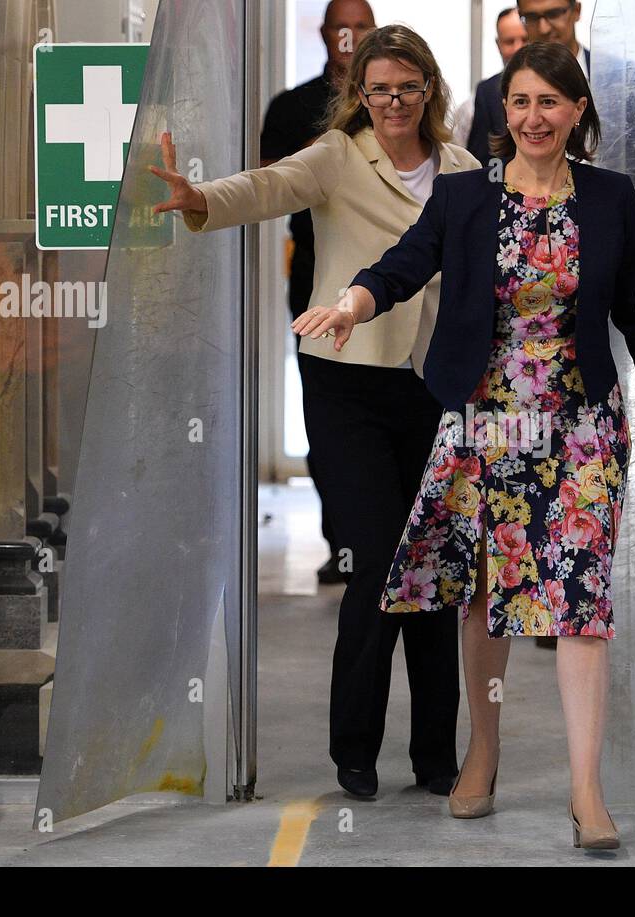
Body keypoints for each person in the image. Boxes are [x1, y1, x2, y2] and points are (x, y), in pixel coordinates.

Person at [293, 42, 635, 851]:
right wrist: (353, 302)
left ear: (578, 112)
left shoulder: (612, 199)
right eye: (520, 103)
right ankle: (482, 752)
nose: (534, 117)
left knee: (580, 601)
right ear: (501, 112)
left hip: (582, 424)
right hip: (483, 423)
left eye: (551, 102)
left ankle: (587, 792)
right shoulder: (465, 198)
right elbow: (404, 264)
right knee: (488, 596)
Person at [151, 25, 482, 800]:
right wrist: (200, 198)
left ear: (428, 88)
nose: (392, 101)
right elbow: (270, 187)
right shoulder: (340, 154)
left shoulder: (465, 169)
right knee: (376, 560)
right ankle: (355, 750)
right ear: (358, 94)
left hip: (437, 390)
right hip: (348, 380)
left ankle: (436, 756)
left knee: (434, 570)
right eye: (378, 89)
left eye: (406, 86)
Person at [260, 0, 376, 586]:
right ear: (326, 34)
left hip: (391, 281)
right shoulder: (293, 108)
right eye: (341, 27)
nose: (351, 38)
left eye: (362, 27)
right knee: (327, 409)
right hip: (314, 276)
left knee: (387, 407)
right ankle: (344, 544)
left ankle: (388, 541)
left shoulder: (394, 106)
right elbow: (266, 184)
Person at [466, 0, 635, 169]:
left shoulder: (623, 77)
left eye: (554, 13)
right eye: (532, 17)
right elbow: (484, 171)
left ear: (576, 10)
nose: (544, 27)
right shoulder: (491, 91)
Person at [451, 7, 526, 148]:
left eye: (525, 39)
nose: (518, 48)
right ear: (498, 45)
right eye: (510, 42)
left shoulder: (559, 83)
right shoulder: (483, 95)